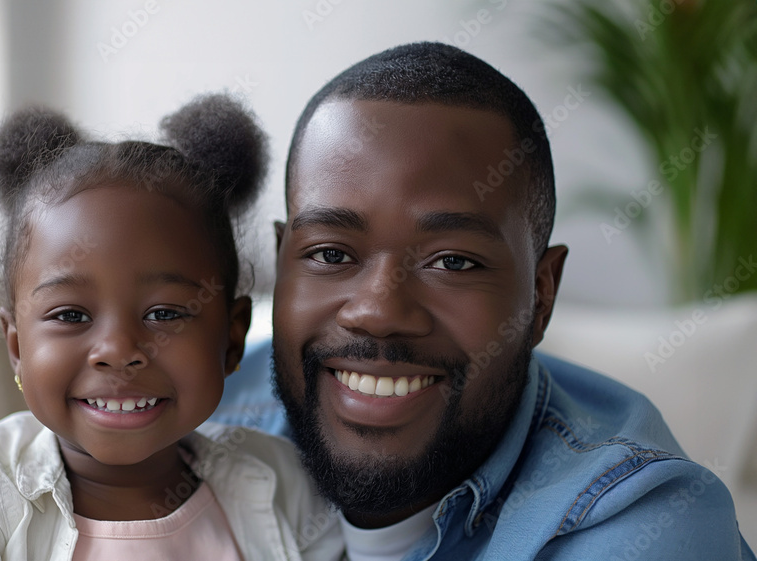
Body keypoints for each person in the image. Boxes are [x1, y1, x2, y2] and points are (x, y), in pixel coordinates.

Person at [212, 42, 755, 560]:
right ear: (283, 264)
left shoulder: (650, 527)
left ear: (541, 296)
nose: (377, 311)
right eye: (330, 254)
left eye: (453, 262)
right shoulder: (197, 418)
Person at [0, 95, 343, 560]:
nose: (117, 349)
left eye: (165, 314)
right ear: (16, 347)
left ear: (232, 338)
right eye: (71, 315)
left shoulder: (286, 485)